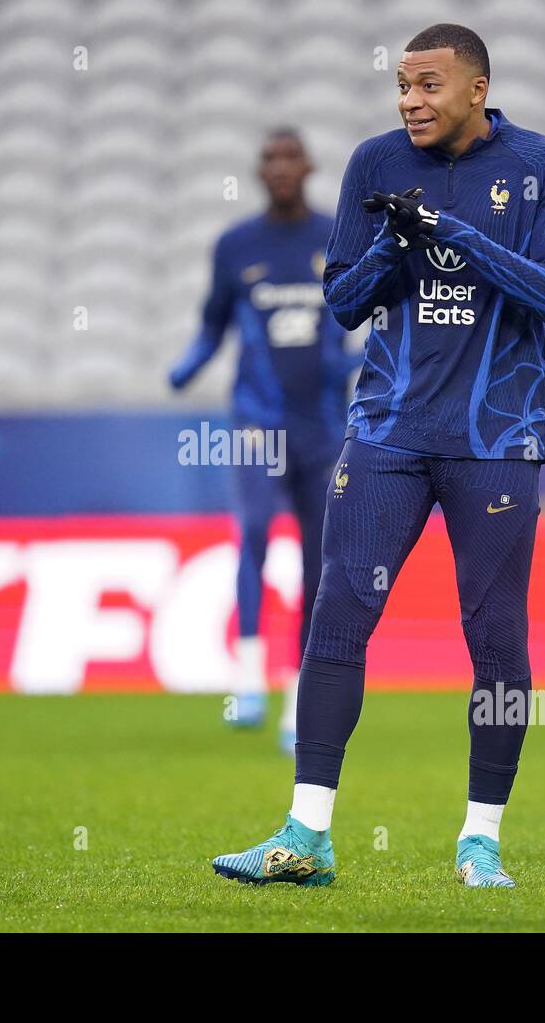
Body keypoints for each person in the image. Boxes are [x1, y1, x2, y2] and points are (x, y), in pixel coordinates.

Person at [211, 23, 545, 889]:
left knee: (496, 641)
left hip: (496, 440)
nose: (408, 101)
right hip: (386, 432)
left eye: (427, 85)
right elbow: (343, 299)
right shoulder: (375, 164)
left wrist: (450, 230)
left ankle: (481, 839)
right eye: (401, 85)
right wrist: (394, 242)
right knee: (338, 620)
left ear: (477, 89)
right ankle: (306, 835)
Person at [169, 129, 356, 752]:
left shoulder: (338, 237)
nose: (280, 168)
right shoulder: (235, 246)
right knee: (251, 533)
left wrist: (358, 362)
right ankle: (247, 677)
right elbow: (212, 324)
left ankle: (299, 699)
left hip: (325, 428)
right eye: (270, 159)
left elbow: (367, 318)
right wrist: (188, 365)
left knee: (318, 557)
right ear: (258, 170)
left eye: (289, 158)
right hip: (255, 422)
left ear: (308, 167)